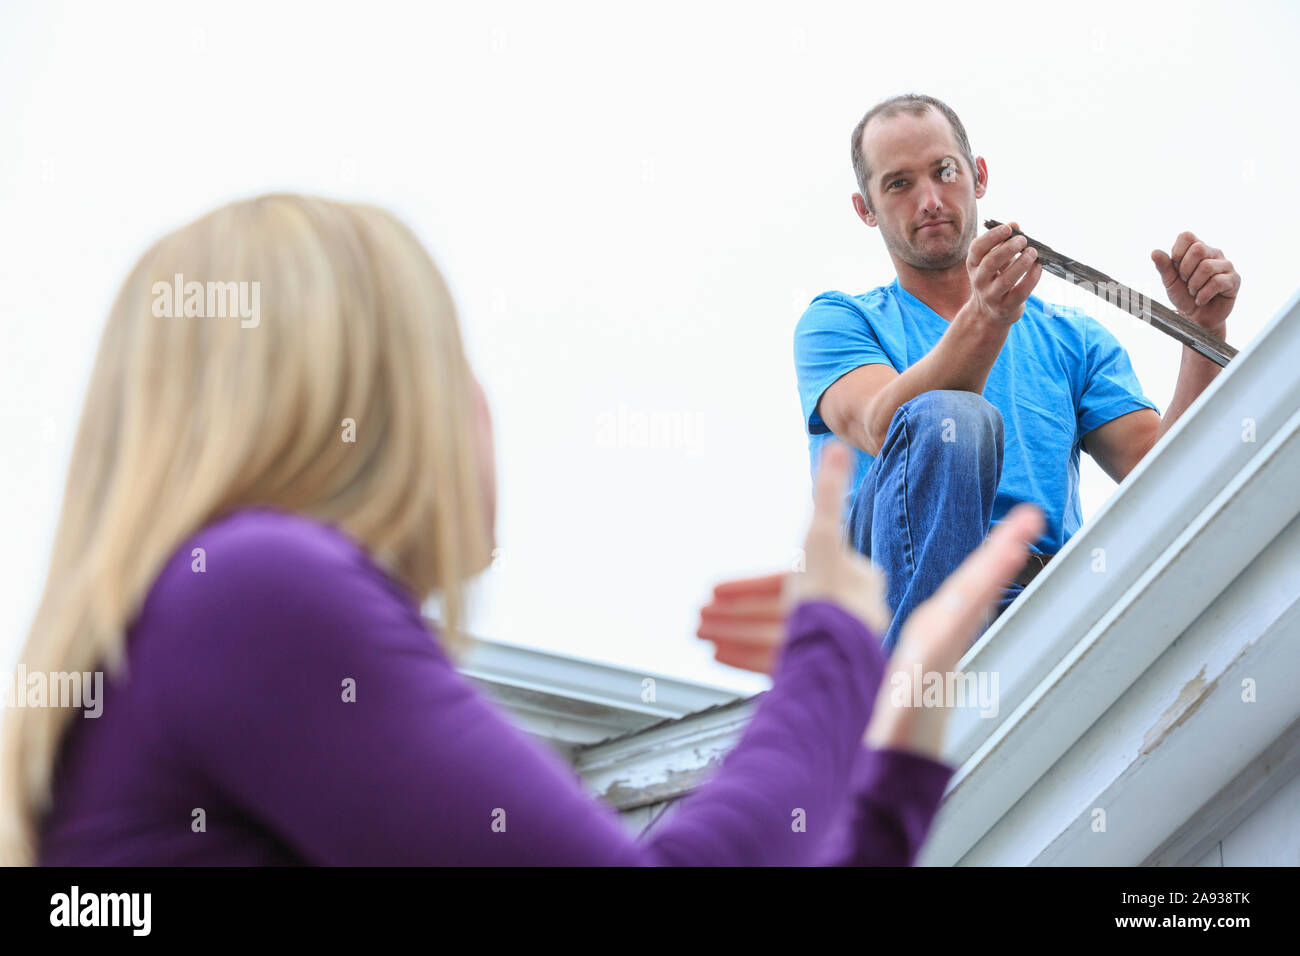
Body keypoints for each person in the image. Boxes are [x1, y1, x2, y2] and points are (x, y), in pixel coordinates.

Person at [0, 193, 1045, 866]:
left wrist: (896, 734)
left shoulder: (209, 623)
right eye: (448, 353)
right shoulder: (257, 589)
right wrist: (833, 644)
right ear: (364, 391)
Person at [793, 93, 1242, 652]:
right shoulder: (839, 321)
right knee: (948, 415)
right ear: (866, 209)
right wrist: (987, 319)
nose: (930, 200)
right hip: (885, 614)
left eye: (945, 171)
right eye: (899, 184)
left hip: (1043, 611)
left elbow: (1165, 475)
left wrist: (1202, 334)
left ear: (978, 176)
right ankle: (922, 679)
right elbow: (886, 424)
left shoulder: (1071, 339)